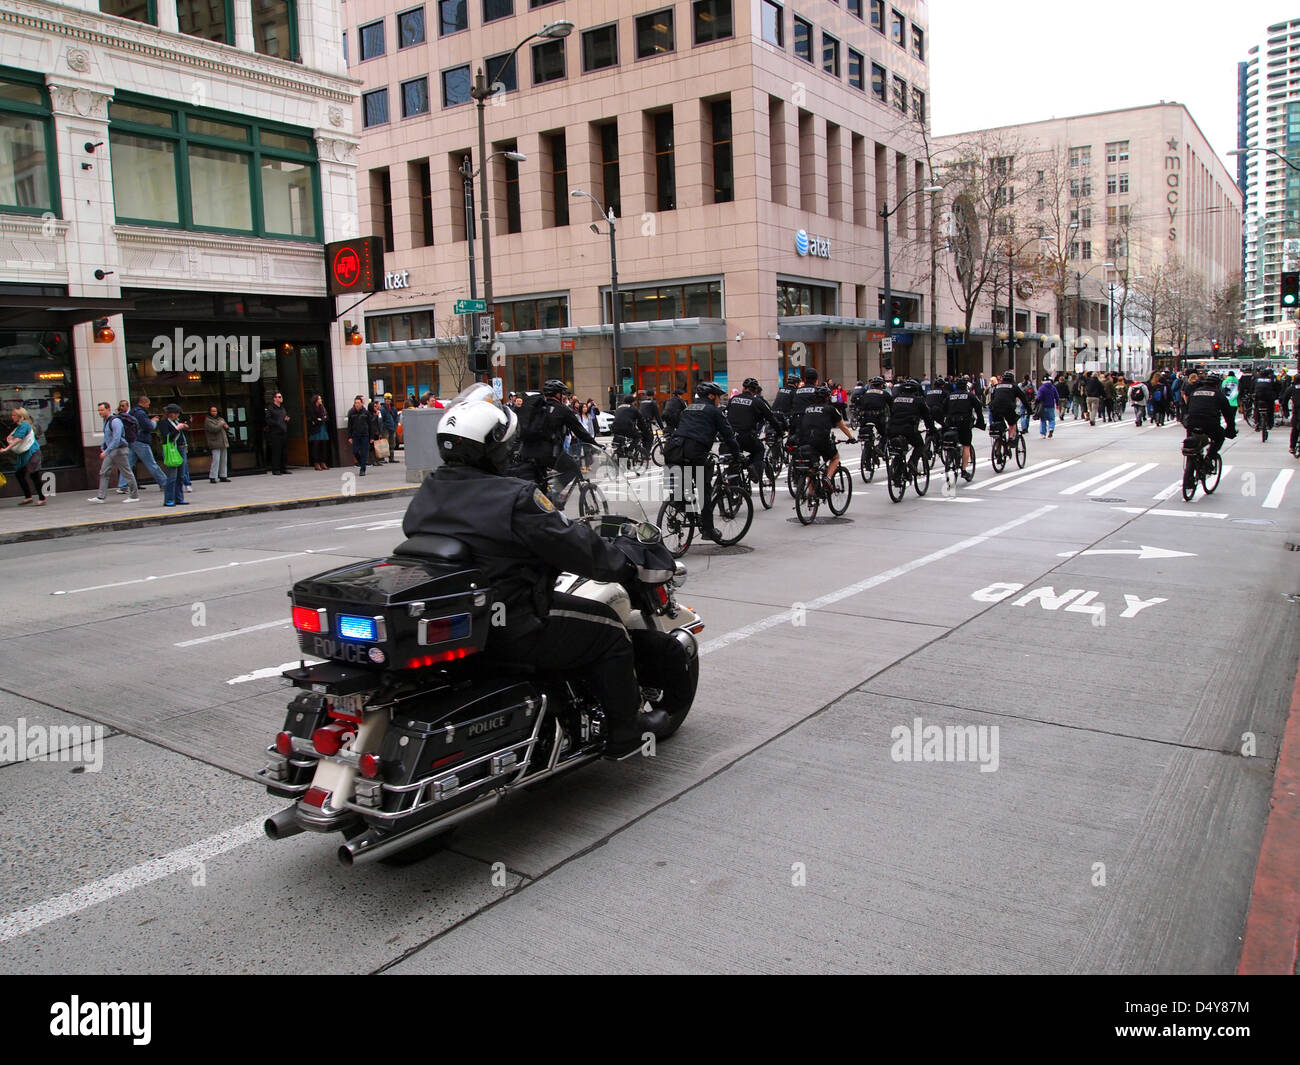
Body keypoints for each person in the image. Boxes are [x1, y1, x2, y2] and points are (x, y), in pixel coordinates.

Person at [401, 384, 668, 757]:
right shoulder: (516, 497)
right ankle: (627, 731)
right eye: (504, 445)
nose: (510, 451)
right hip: (515, 626)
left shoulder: (429, 491)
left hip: (463, 625)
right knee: (609, 629)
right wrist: (623, 560)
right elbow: (575, 548)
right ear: (491, 449)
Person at [663, 381, 741, 544]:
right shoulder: (714, 411)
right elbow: (728, 435)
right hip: (695, 452)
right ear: (711, 396)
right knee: (704, 488)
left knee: (683, 485)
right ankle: (708, 529)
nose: (720, 400)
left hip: (674, 450)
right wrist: (737, 454)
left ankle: (684, 509)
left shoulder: (688, 408)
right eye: (719, 396)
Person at [517, 380, 598, 499]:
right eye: (562, 393)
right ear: (558, 394)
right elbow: (580, 431)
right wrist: (595, 444)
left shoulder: (536, 408)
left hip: (526, 451)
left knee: (541, 484)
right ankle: (554, 494)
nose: (563, 396)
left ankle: (544, 505)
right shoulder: (562, 410)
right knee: (572, 468)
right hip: (547, 453)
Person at [797, 385, 855, 488]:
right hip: (821, 440)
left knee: (812, 468)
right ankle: (827, 478)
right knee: (835, 458)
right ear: (828, 397)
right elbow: (843, 426)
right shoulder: (830, 409)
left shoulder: (807, 409)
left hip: (805, 440)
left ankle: (811, 495)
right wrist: (851, 438)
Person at [725, 378, 777, 482]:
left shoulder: (732, 400)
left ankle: (733, 490)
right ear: (755, 390)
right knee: (759, 449)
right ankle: (754, 470)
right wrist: (779, 432)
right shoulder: (757, 402)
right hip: (746, 436)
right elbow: (771, 418)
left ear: (743, 388)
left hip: (730, 436)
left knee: (734, 458)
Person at [88, 401, 139, 504]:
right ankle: (101, 497)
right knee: (104, 472)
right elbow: (108, 436)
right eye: (99, 410)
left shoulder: (115, 421)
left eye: (102, 410)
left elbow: (116, 439)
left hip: (119, 450)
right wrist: (103, 446)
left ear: (108, 409)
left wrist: (106, 451)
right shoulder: (106, 421)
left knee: (127, 473)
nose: (100, 412)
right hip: (112, 451)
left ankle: (134, 496)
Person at [884, 378, 937, 471]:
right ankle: (912, 462)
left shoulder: (896, 400)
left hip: (893, 429)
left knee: (898, 449)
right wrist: (932, 429)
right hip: (909, 430)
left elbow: (891, 414)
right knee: (919, 445)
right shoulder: (918, 401)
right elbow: (927, 417)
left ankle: (897, 472)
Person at [121, 395, 169, 493]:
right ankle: (164, 483)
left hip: (132, 440)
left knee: (128, 464)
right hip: (141, 441)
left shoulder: (132, 412)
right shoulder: (141, 413)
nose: (148, 406)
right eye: (148, 404)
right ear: (144, 402)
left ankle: (122, 485)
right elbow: (149, 427)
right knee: (151, 463)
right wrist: (154, 422)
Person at [1184, 373, 1236, 461]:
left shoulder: (1195, 392)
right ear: (1217, 385)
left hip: (1191, 423)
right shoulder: (1219, 395)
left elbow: (1188, 407)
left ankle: (1191, 461)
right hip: (1210, 424)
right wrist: (1231, 430)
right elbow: (1228, 415)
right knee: (1219, 437)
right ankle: (1209, 457)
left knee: (1191, 442)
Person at [2, 406, 46, 505]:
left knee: (34, 475)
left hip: (32, 453)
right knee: (19, 474)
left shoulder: (24, 425)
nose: (11, 417)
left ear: (20, 416)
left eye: (14, 415)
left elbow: (18, 439)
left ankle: (42, 498)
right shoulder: (20, 426)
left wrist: (6, 449)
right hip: (25, 454)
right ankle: (28, 497)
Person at [944, 377, 985, 473]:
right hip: (964, 423)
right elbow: (978, 408)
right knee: (966, 445)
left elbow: (944, 408)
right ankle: (963, 470)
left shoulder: (950, 396)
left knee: (949, 440)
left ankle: (951, 455)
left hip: (950, 422)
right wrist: (980, 422)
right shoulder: (970, 395)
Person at [157, 404, 190, 506]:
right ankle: (169, 500)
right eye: (176, 413)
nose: (177, 415)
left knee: (181, 475)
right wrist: (177, 428)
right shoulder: (163, 423)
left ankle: (179, 498)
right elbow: (168, 437)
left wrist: (182, 427)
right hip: (172, 450)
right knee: (172, 476)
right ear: (171, 413)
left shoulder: (175, 421)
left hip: (181, 448)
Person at [989, 371, 1033, 439]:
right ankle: (1010, 439)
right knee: (1012, 424)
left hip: (995, 409)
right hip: (1008, 409)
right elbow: (1023, 399)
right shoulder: (1014, 386)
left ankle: (997, 446)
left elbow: (992, 398)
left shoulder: (997, 386)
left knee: (998, 428)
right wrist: (1029, 410)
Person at [611, 393, 651, 461]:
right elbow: (641, 421)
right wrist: (645, 430)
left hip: (614, 428)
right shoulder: (633, 409)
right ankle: (629, 451)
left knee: (621, 443)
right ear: (633, 401)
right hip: (626, 428)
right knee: (637, 437)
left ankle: (622, 457)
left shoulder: (619, 407)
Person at [204, 406, 232, 483]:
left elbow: (227, 427)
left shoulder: (220, 419)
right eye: (212, 411)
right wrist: (221, 424)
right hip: (215, 442)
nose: (214, 413)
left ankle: (223, 475)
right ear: (209, 412)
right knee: (216, 460)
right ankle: (213, 476)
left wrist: (226, 426)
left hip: (223, 441)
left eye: (215, 411)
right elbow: (214, 429)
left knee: (224, 460)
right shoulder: (208, 420)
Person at [265, 391, 290, 474]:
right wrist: (276, 423)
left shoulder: (282, 408)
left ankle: (283, 468)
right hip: (275, 433)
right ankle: (275, 469)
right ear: (274, 398)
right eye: (279, 397)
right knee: (276, 451)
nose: (281, 398)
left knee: (284, 451)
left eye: (281, 397)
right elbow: (268, 419)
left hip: (283, 431)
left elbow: (283, 417)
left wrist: (286, 419)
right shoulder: (271, 408)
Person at [346, 395, 371, 476]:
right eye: (355, 403)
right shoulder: (351, 413)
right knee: (355, 451)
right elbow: (349, 425)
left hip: (364, 435)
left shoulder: (366, 413)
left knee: (364, 452)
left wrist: (372, 437)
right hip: (355, 435)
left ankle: (362, 469)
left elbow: (370, 425)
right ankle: (361, 463)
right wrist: (349, 436)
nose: (357, 404)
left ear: (361, 404)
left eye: (358, 403)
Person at [1254, 364, 1278, 441]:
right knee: (1270, 409)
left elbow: (1252, 387)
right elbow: (1277, 386)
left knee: (1256, 408)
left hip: (1259, 396)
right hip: (1268, 397)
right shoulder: (1271, 379)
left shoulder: (1256, 379)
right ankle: (1270, 424)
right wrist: (1276, 395)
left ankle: (1257, 422)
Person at [308, 394, 331, 470]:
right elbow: (313, 419)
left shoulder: (323, 408)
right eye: (319, 399)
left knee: (324, 446)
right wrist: (319, 419)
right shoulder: (312, 409)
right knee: (316, 446)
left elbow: (326, 417)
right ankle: (316, 463)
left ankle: (323, 462)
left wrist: (320, 419)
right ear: (316, 400)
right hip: (315, 430)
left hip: (322, 428)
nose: (321, 400)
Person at [380, 393, 399, 462]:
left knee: (392, 443)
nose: (388, 401)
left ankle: (391, 458)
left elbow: (396, 418)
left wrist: (395, 425)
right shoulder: (382, 409)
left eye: (389, 399)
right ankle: (383, 458)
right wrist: (381, 429)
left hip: (392, 428)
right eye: (386, 399)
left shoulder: (393, 409)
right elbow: (381, 420)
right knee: (385, 444)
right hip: (385, 429)